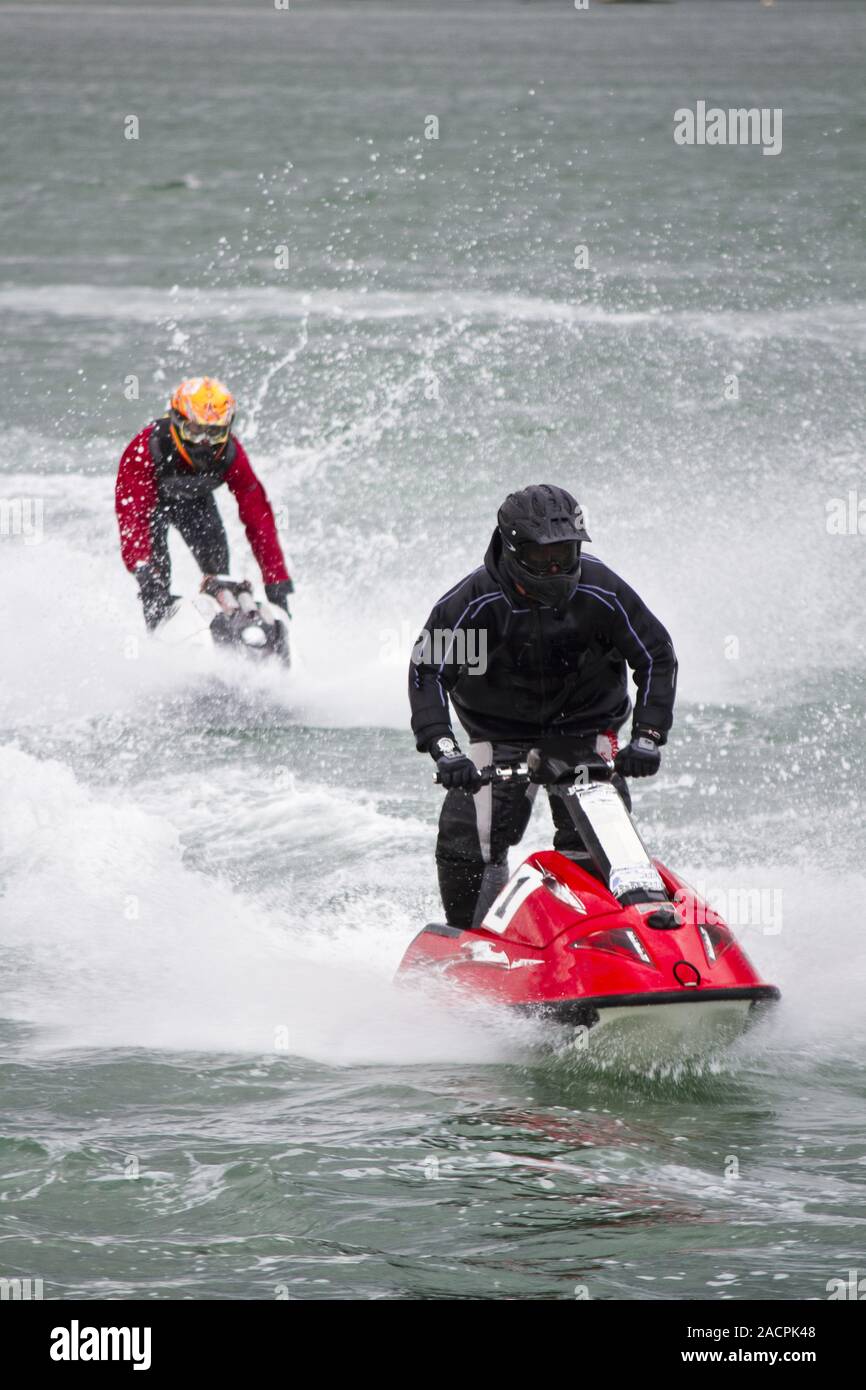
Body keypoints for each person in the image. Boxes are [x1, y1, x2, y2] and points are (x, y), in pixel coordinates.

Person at [408, 483, 678, 929]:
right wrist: (445, 749)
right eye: (541, 557)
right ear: (513, 551)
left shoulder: (602, 592)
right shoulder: (475, 605)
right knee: (468, 840)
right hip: (496, 733)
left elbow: (656, 657)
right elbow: (428, 672)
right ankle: (471, 938)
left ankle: (610, 935)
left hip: (586, 728)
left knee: (595, 844)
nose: (554, 568)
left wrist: (648, 736)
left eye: (564, 554)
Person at [115, 376, 293, 628]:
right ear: (176, 421)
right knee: (154, 583)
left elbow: (258, 517)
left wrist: (276, 581)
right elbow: (131, 513)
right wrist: (141, 566)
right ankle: (158, 634)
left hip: (196, 506)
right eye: (195, 431)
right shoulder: (147, 448)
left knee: (220, 575)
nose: (205, 444)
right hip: (151, 509)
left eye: (215, 432)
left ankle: (231, 628)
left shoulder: (231, 454)